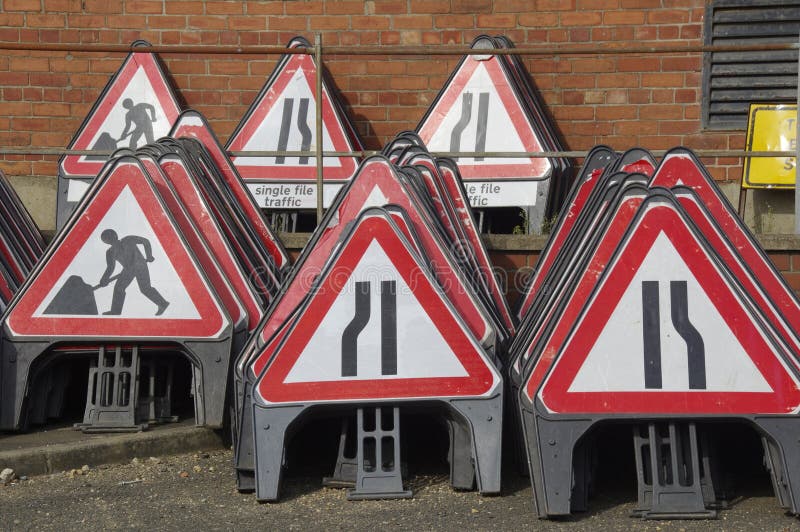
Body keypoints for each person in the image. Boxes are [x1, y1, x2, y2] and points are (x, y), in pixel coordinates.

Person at [97, 228, 169, 316]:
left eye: (109, 237)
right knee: (119, 288)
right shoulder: (110, 252)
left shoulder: (128, 239)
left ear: (115, 236)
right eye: (107, 239)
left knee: (145, 288)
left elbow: (145, 241)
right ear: (106, 242)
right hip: (128, 270)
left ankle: (163, 303)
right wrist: (104, 279)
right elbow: (110, 267)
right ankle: (115, 311)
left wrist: (149, 255)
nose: (110, 240)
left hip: (140, 266)